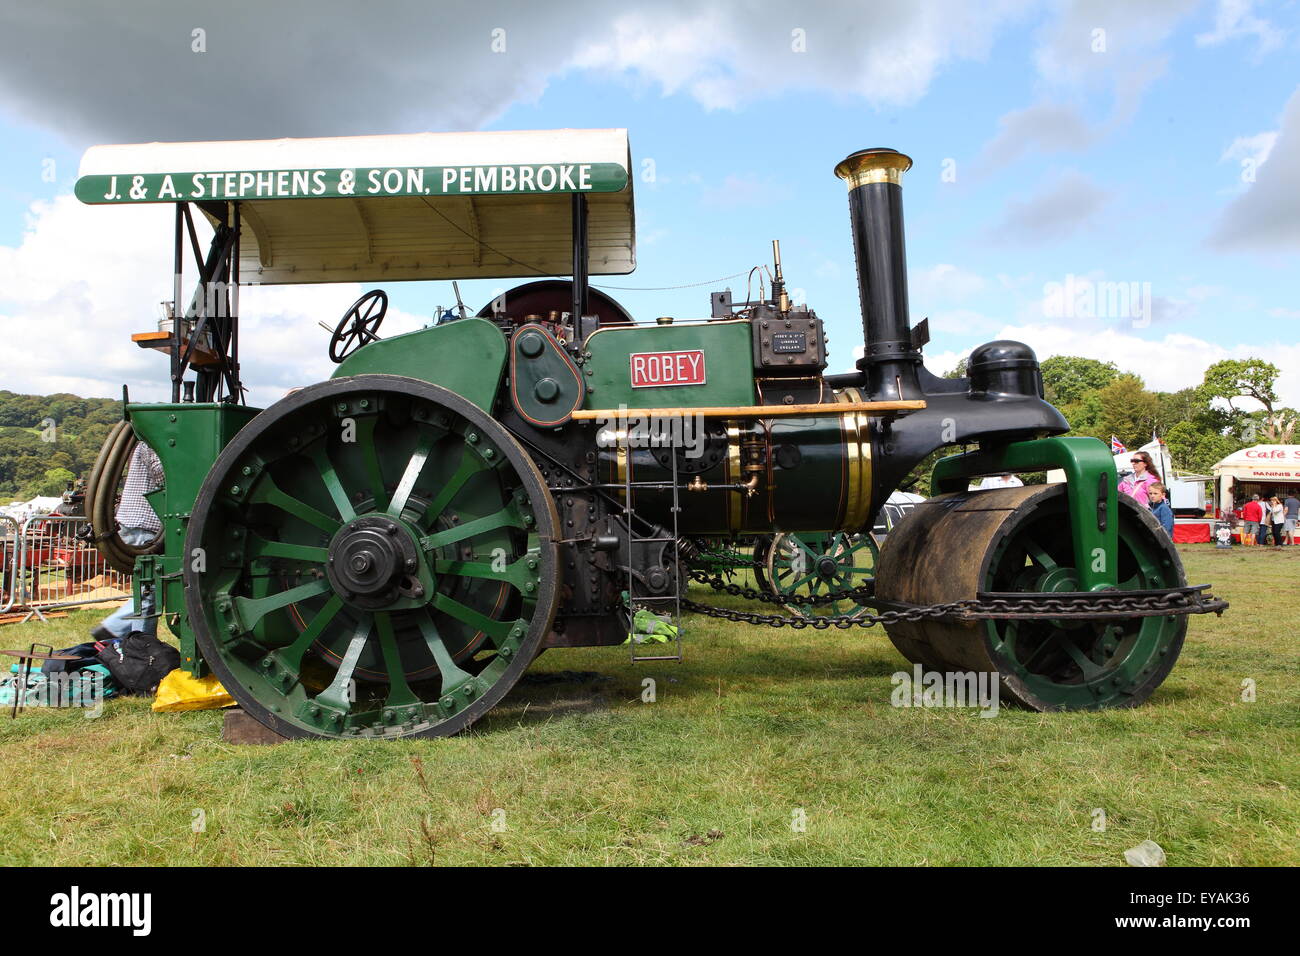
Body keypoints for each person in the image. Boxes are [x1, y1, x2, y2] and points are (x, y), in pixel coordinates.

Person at [91, 442, 163, 644]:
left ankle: (122, 635)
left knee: (150, 589)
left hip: (143, 524)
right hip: (144, 523)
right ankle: (140, 646)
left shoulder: (149, 437)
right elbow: (163, 475)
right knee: (148, 593)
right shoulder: (153, 439)